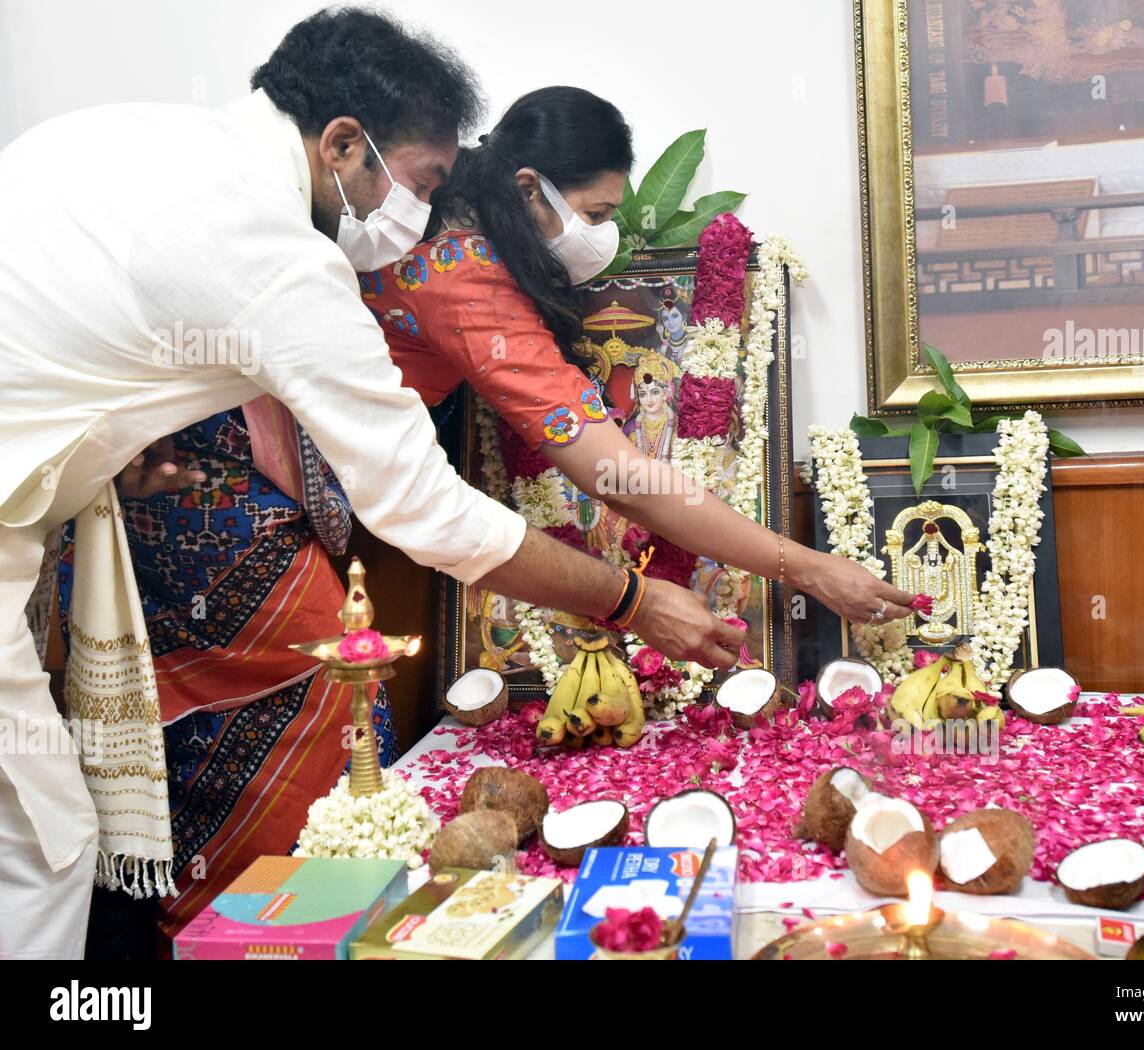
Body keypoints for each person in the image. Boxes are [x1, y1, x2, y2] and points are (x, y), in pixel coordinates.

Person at [0, 8, 742, 960]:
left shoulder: (134, 133)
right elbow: (426, 509)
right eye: (420, 183)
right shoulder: (280, 254)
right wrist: (635, 600)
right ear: (343, 143)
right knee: (41, 846)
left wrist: (106, 440)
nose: (420, 217)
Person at [364, 86, 918, 628]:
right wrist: (808, 568)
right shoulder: (467, 279)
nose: (602, 236)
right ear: (529, 188)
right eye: (596, 214)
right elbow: (620, 477)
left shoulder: (453, 224)